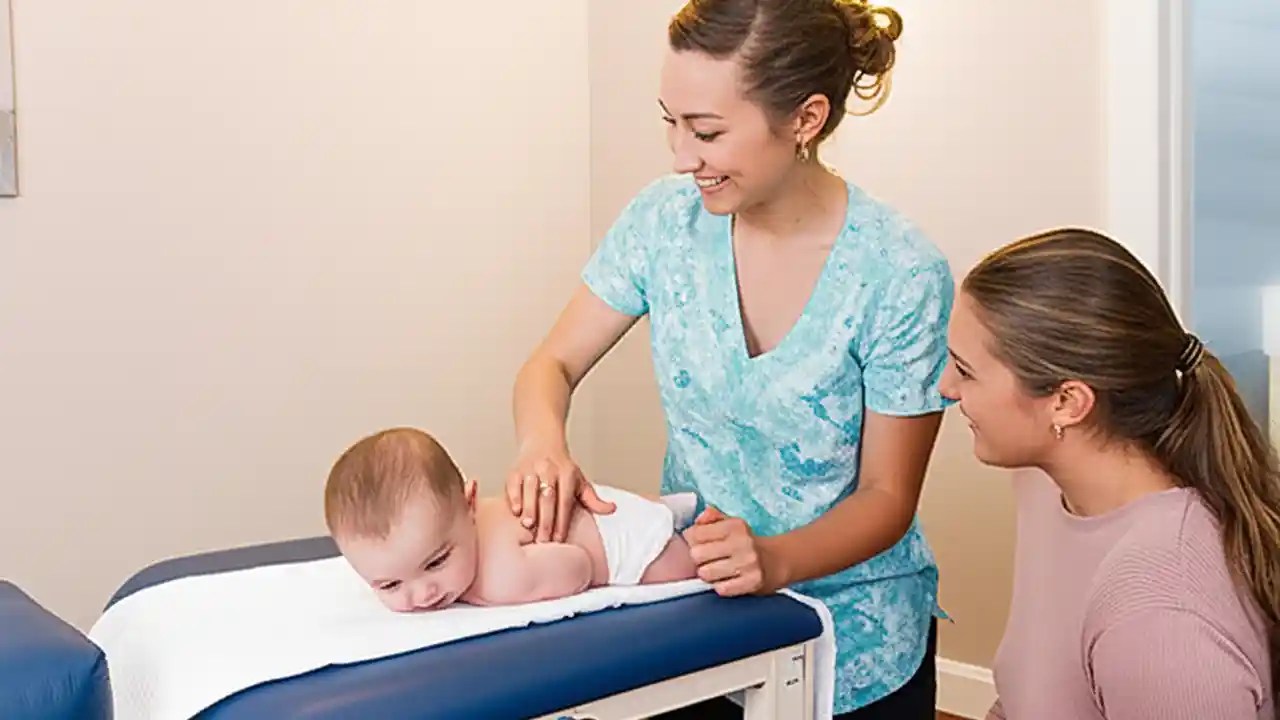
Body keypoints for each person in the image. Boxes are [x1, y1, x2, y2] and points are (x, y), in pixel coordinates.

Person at [507, 1, 953, 716]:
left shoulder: (900, 272)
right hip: (700, 610)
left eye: (707, 132)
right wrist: (542, 444)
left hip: (857, 640)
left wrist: (775, 561)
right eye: (671, 122)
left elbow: (888, 498)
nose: (682, 157)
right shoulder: (663, 222)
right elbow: (549, 367)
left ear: (805, 119)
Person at [941, 228, 1279, 719]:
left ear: (1066, 402)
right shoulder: (1045, 486)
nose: (947, 388)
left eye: (965, 371)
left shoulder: (1163, 615)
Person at [323, 427, 697, 613]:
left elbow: (579, 566)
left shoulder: (500, 576)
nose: (423, 594)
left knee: (690, 564)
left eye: (437, 562)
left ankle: (694, 534)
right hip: (611, 506)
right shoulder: (453, 530)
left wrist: (497, 592)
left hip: (628, 543)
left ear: (469, 503)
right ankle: (670, 510)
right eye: (389, 585)